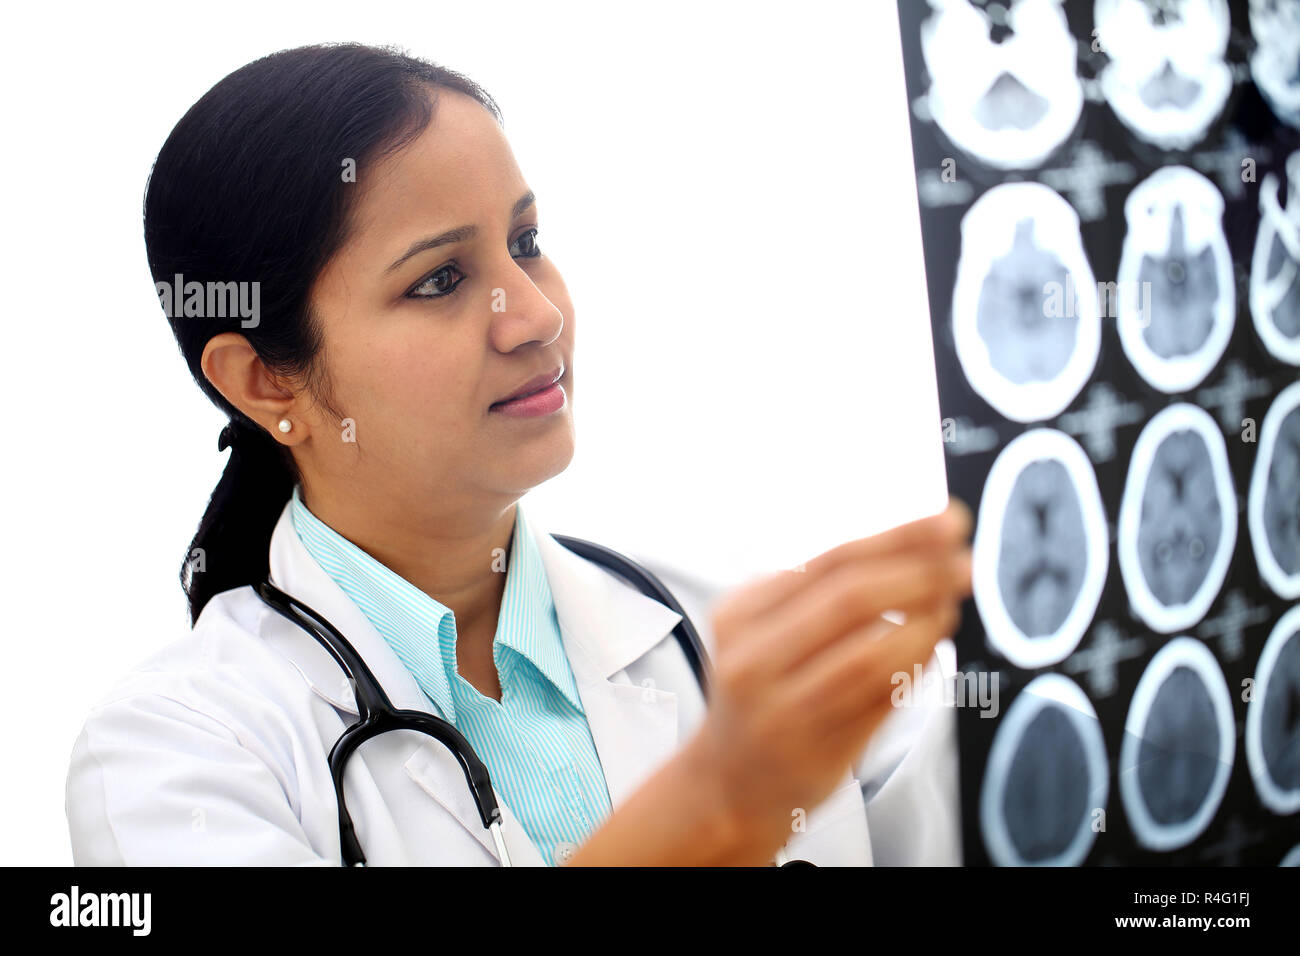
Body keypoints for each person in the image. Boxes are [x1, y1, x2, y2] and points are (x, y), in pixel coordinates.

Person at [65, 42, 973, 866]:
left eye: (527, 244)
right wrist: (722, 803)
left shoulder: (745, 635)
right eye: (441, 281)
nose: (536, 316)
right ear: (265, 382)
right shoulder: (177, 754)